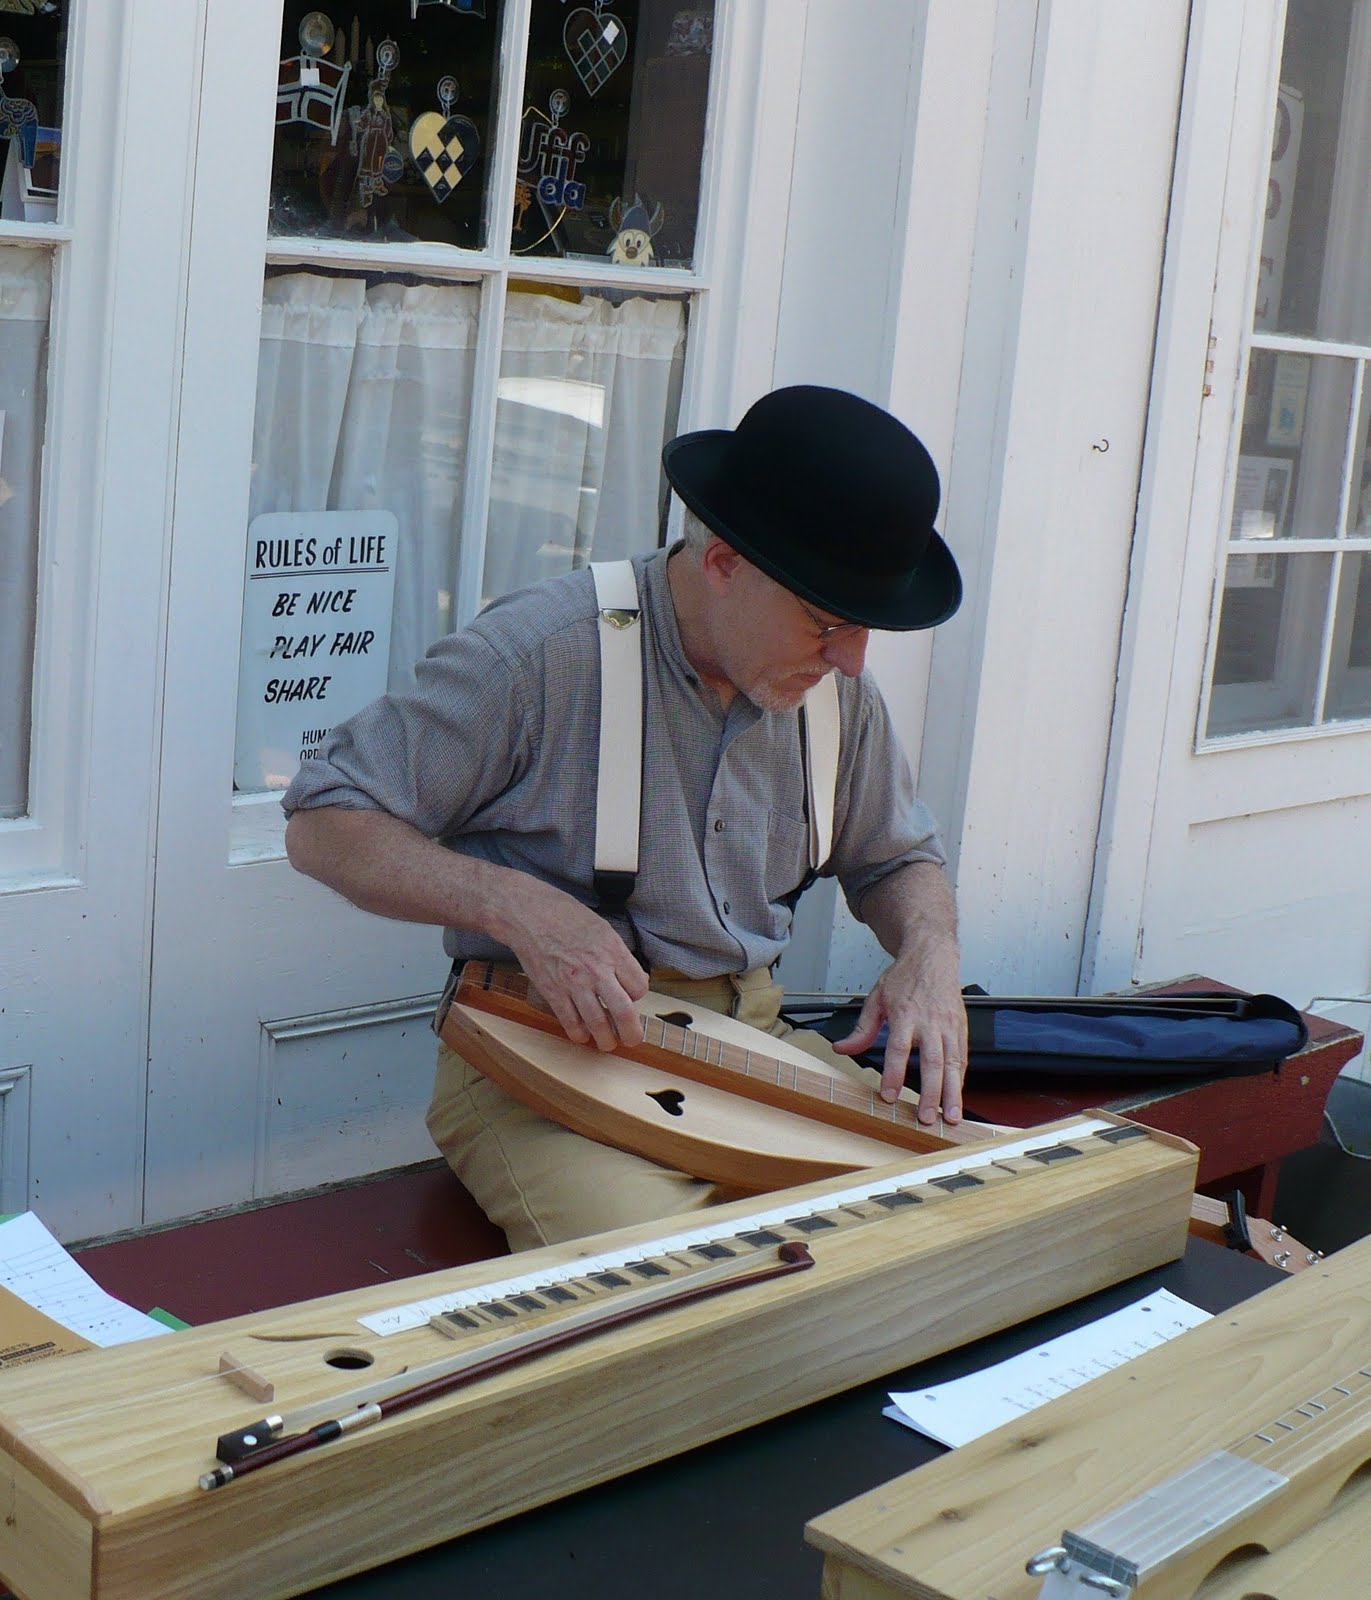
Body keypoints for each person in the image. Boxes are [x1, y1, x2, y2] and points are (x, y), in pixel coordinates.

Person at [283, 384, 967, 1251]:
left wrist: (930, 953)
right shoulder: (541, 653)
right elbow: (325, 817)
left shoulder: (834, 691)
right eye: (825, 622)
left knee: (938, 1225)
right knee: (684, 1291)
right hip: (552, 1057)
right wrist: (518, 907)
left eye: (865, 628)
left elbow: (896, 860)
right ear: (722, 561)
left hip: (747, 1044)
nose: (851, 660)